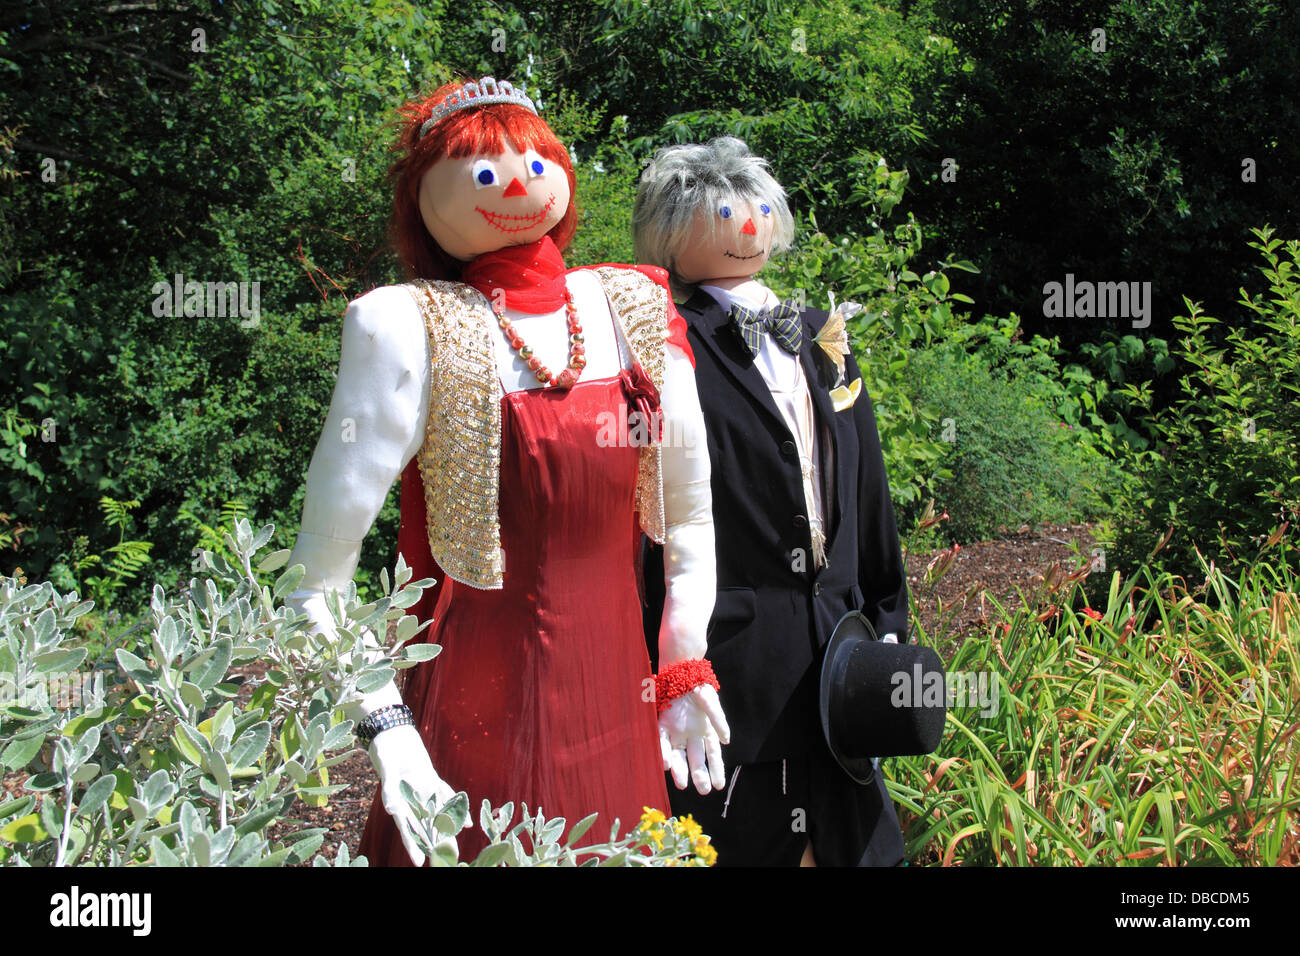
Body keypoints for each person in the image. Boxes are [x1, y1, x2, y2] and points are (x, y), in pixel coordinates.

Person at [284, 77, 729, 866]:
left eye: (535, 160)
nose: (518, 183)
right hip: (473, 726)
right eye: (485, 169)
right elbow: (315, 586)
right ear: (423, 199)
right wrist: (390, 736)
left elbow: (691, 515)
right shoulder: (404, 327)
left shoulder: (633, 307)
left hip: (618, 705)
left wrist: (683, 657)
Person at [634, 136, 910, 866]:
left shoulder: (820, 332)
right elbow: (655, 513)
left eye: (757, 206)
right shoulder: (662, 342)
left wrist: (887, 615)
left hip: (843, 655)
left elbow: (867, 484)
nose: (750, 225)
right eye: (724, 212)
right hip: (734, 670)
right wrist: (664, 662)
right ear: (672, 231)